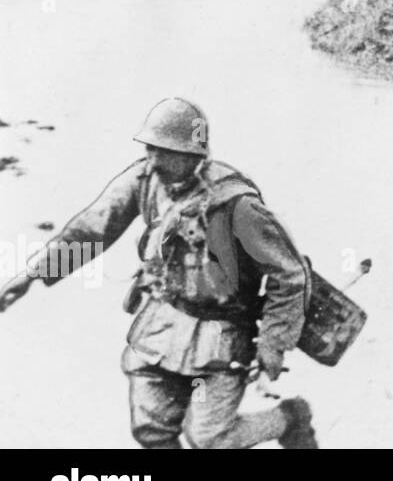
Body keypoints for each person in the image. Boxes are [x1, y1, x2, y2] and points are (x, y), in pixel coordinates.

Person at [0, 99, 317, 449]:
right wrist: (33, 274)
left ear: (192, 155)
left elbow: (290, 275)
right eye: (150, 149)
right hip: (159, 328)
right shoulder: (147, 180)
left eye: (164, 153)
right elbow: (93, 229)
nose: (153, 161)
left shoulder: (236, 204)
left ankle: (289, 419)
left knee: (209, 439)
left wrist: (273, 344)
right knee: (151, 429)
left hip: (221, 338)